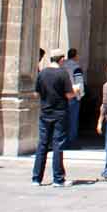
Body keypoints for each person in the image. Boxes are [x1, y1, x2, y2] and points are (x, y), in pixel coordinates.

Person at [32, 49, 75, 187]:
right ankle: (58, 178)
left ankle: (36, 178)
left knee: (42, 145)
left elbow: (36, 93)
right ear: (61, 59)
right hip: (59, 113)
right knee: (58, 145)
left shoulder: (42, 73)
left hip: (45, 112)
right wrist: (76, 91)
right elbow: (69, 95)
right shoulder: (63, 74)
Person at [62, 48, 85, 147]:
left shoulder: (62, 66)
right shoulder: (76, 67)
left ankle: (62, 140)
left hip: (62, 95)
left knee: (63, 119)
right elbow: (79, 84)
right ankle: (71, 141)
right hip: (73, 95)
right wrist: (80, 95)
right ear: (75, 56)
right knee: (73, 120)